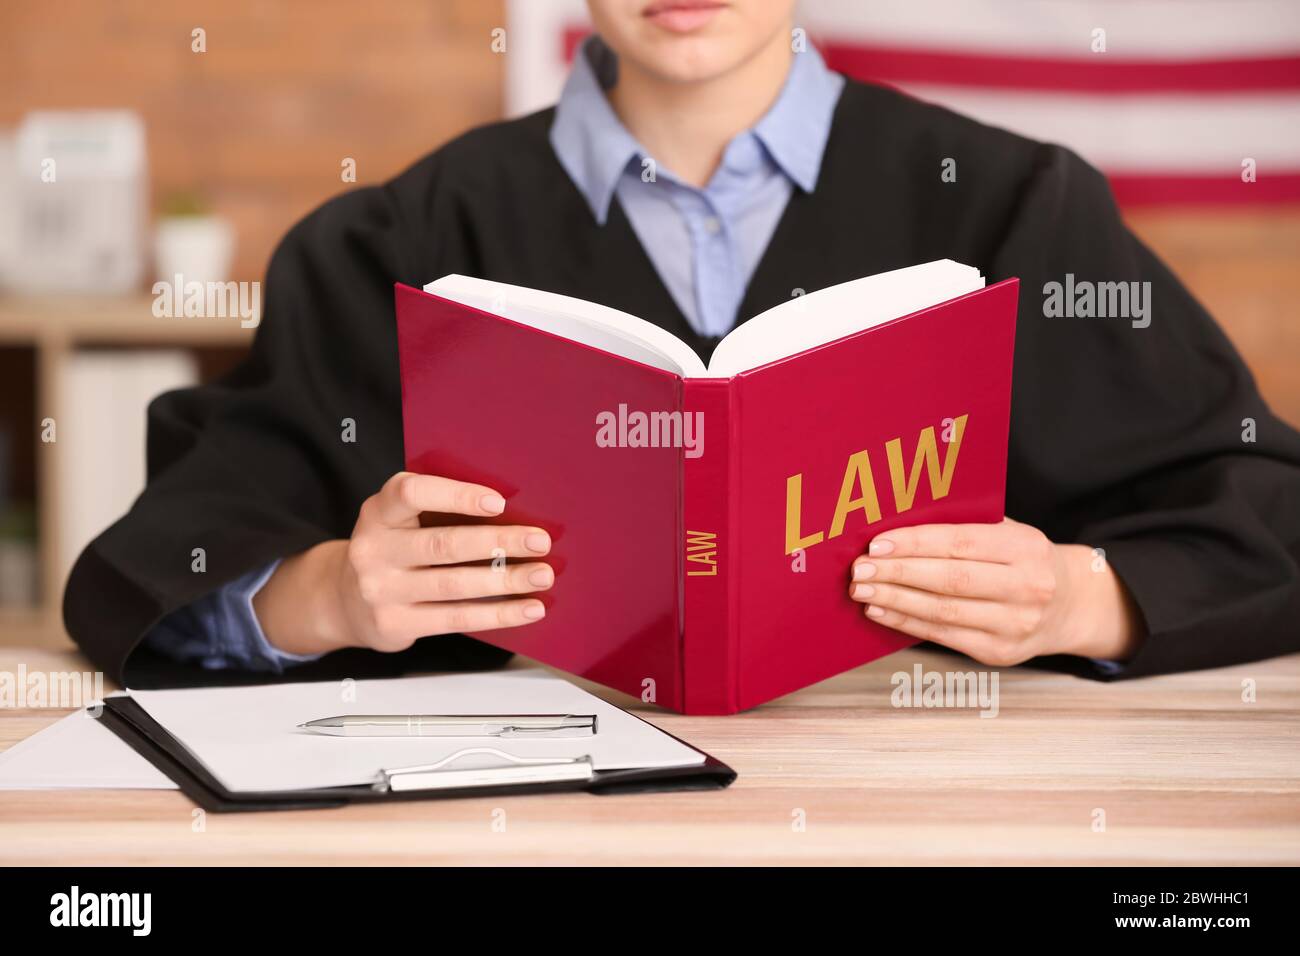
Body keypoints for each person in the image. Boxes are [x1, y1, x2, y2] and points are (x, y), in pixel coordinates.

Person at [65, 0, 1300, 689]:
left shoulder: (1014, 209)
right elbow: (161, 566)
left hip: (928, 815)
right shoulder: (391, 242)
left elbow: (1265, 503)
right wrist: (323, 593)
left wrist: (1086, 600)